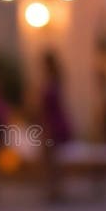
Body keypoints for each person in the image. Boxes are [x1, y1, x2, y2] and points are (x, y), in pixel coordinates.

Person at [38, 51, 72, 200]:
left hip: (54, 125)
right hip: (53, 123)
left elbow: (47, 107)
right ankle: (54, 189)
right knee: (50, 158)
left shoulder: (53, 83)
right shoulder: (53, 82)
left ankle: (55, 190)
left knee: (52, 158)